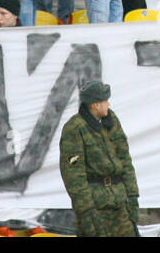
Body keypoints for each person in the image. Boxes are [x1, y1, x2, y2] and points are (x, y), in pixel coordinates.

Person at [58, 80, 139, 237]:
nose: (108, 104)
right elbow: (74, 176)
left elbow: (125, 160)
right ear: (95, 105)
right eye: (105, 101)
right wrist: (86, 212)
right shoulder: (75, 129)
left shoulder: (111, 121)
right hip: (96, 206)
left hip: (120, 203)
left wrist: (133, 195)